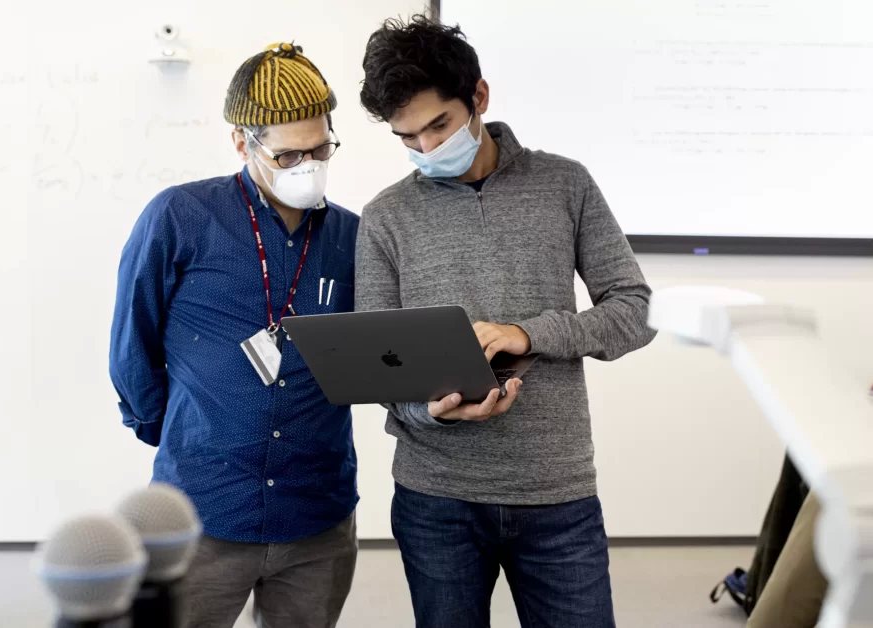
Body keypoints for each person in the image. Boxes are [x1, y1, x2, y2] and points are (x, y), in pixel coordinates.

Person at [356, 16, 657, 628]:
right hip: (434, 497)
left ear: (480, 98)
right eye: (407, 138)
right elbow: (378, 368)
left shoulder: (564, 183)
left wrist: (529, 334)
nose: (427, 150)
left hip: (556, 493)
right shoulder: (385, 217)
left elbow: (637, 310)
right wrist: (428, 411)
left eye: (439, 126)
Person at [109, 42, 359, 628]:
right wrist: (180, 434)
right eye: (291, 154)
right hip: (201, 510)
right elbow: (132, 343)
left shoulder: (351, 237)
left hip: (316, 516)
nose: (310, 165)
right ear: (243, 143)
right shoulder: (180, 216)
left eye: (321, 148)